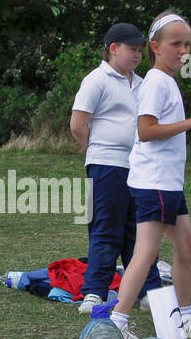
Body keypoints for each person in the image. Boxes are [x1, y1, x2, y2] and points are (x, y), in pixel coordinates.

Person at [109, 11, 191, 339]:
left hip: (167, 184)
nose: (183, 51)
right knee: (145, 253)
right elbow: (146, 131)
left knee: (186, 247)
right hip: (155, 183)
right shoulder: (157, 82)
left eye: (187, 44)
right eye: (176, 44)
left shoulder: (166, 81)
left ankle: (184, 317)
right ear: (156, 46)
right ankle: (117, 323)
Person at [69, 22, 162, 312]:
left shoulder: (144, 82)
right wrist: (98, 150)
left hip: (139, 167)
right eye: (132, 50)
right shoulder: (96, 80)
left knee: (140, 230)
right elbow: (77, 125)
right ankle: (95, 291)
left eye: (140, 50)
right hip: (106, 166)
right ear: (113, 49)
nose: (137, 55)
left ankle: (146, 290)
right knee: (105, 228)